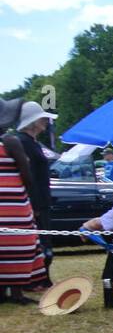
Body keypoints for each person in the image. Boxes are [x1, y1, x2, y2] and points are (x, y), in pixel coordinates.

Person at [0, 98, 47, 304]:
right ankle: (17, 292)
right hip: (14, 204)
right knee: (19, 246)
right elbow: (26, 175)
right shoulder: (10, 142)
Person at [13, 101, 55, 286]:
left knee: (43, 241)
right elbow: (28, 177)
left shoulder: (32, 143)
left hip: (41, 200)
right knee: (38, 242)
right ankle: (36, 280)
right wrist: (34, 204)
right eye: (42, 118)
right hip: (34, 202)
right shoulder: (23, 143)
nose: (46, 121)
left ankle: (41, 278)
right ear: (33, 121)